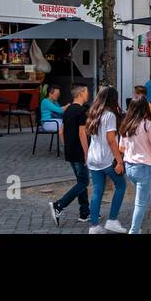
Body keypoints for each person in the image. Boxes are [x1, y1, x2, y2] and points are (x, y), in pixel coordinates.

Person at [117, 93, 151, 233]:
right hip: (143, 167)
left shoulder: (126, 124)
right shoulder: (148, 125)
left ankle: (138, 225)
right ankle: (134, 231)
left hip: (129, 166)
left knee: (144, 197)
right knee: (140, 203)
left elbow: (121, 148)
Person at [85, 86, 128, 232]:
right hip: (106, 159)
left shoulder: (94, 113)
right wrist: (120, 160)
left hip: (93, 157)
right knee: (121, 186)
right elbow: (111, 140)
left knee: (97, 191)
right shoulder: (109, 115)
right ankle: (112, 219)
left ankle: (94, 225)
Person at [50, 84, 91, 226]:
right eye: (86, 91)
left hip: (70, 151)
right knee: (84, 182)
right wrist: (86, 153)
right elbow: (82, 133)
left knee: (81, 180)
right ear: (80, 93)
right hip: (79, 152)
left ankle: (84, 213)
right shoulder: (81, 111)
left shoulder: (67, 111)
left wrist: (65, 147)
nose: (88, 94)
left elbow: (61, 132)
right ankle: (59, 205)